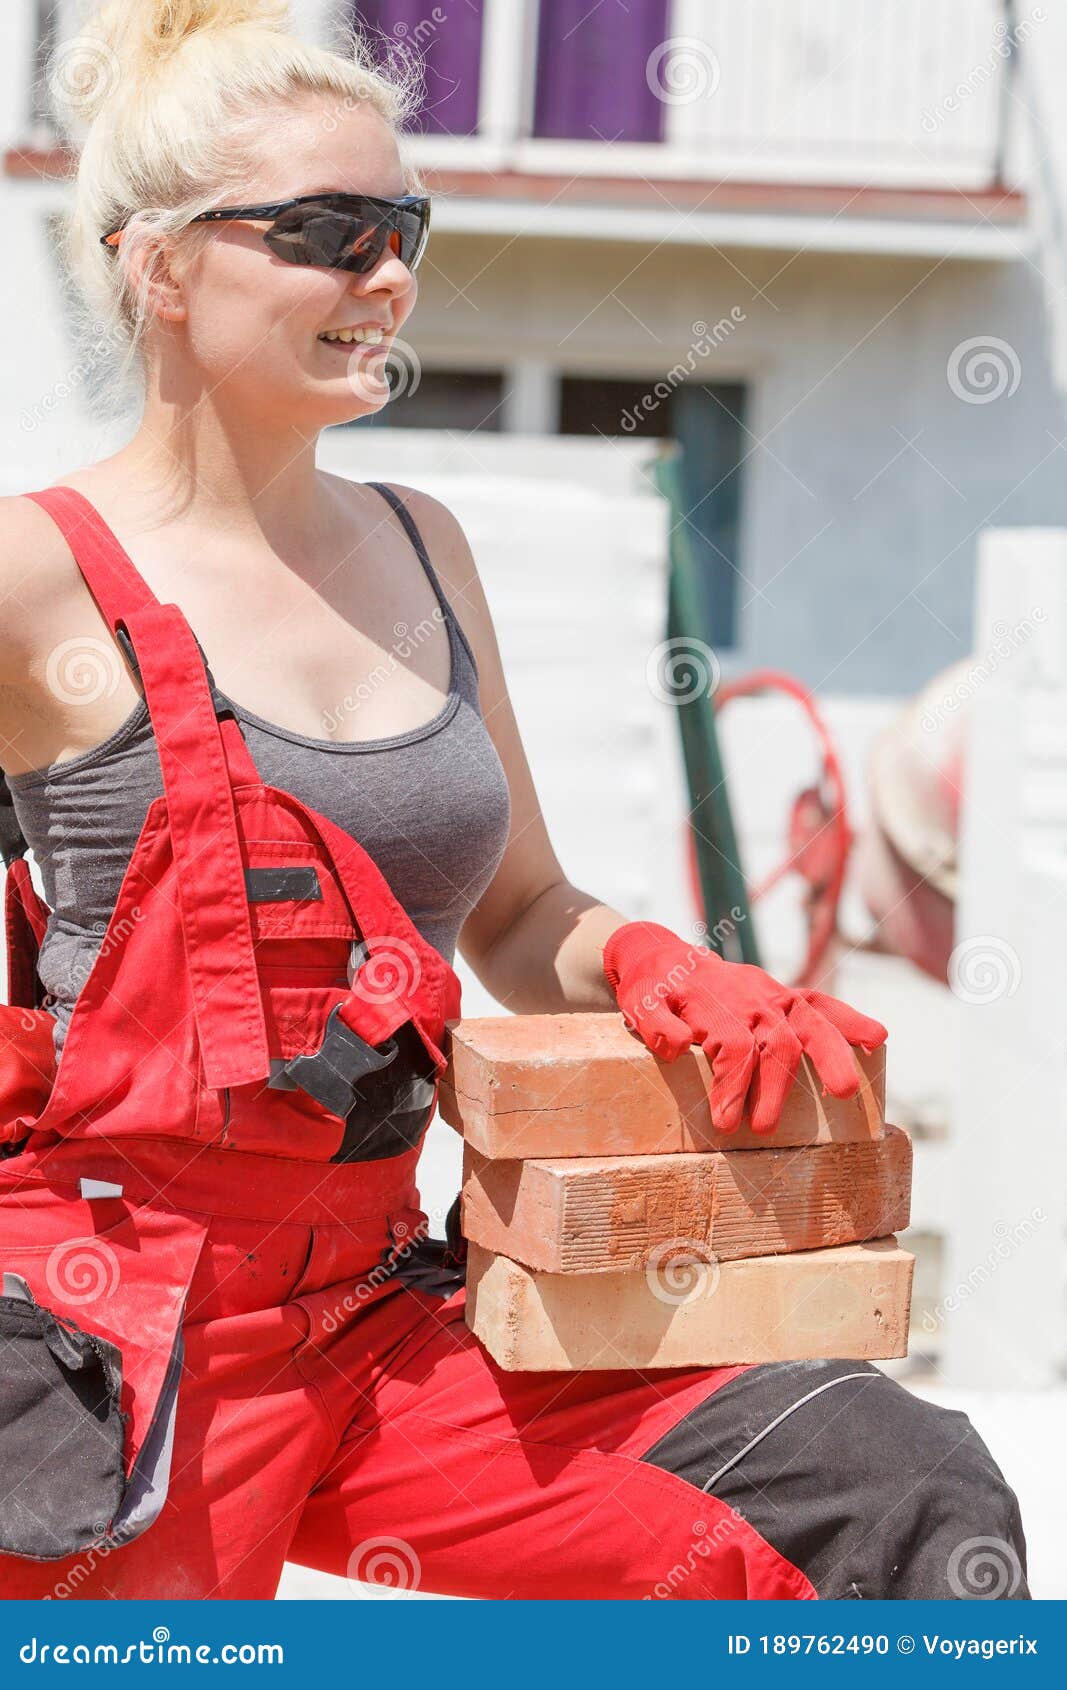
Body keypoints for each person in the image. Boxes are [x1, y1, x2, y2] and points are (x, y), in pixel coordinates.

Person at [0, 1, 1028, 1601]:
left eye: (403, 227)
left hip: (390, 1314)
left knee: (887, 1495)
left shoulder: (427, 551)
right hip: (109, 1338)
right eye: (330, 234)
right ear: (162, 264)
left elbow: (519, 910)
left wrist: (638, 962)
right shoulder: (36, 580)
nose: (388, 277)